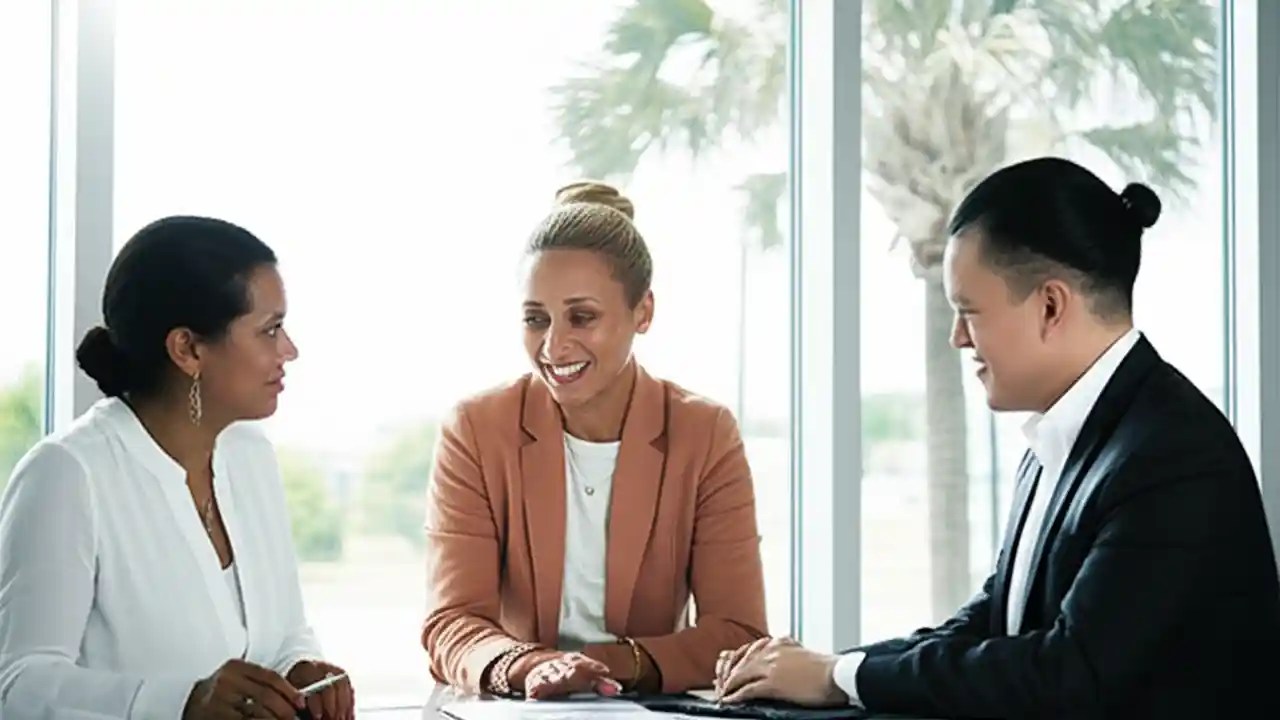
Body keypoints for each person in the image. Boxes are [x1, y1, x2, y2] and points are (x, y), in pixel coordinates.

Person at [714, 157, 1280, 717]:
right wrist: (822, 668)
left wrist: (840, 678)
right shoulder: (1066, 438)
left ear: (1051, 306)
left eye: (969, 312)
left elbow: (1068, 673)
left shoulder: (1171, 454)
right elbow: (993, 621)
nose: (958, 338)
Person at [421, 181, 768, 700]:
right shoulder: (476, 428)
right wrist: (530, 667)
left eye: (582, 317)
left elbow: (739, 633)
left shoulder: (703, 432)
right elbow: (451, 623)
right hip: (513, 706)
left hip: (640, 705)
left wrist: (604, 664)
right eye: (536, 319)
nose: (554, 345)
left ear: (643, 312)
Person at [0, 216, 355, 720]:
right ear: (187, 349)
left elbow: (284, 633)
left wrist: (298, 670)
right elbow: (19, 686)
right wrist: (182, 703)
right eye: (270, 330)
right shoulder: (67, 474)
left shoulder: (250, 456)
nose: (289, 350)